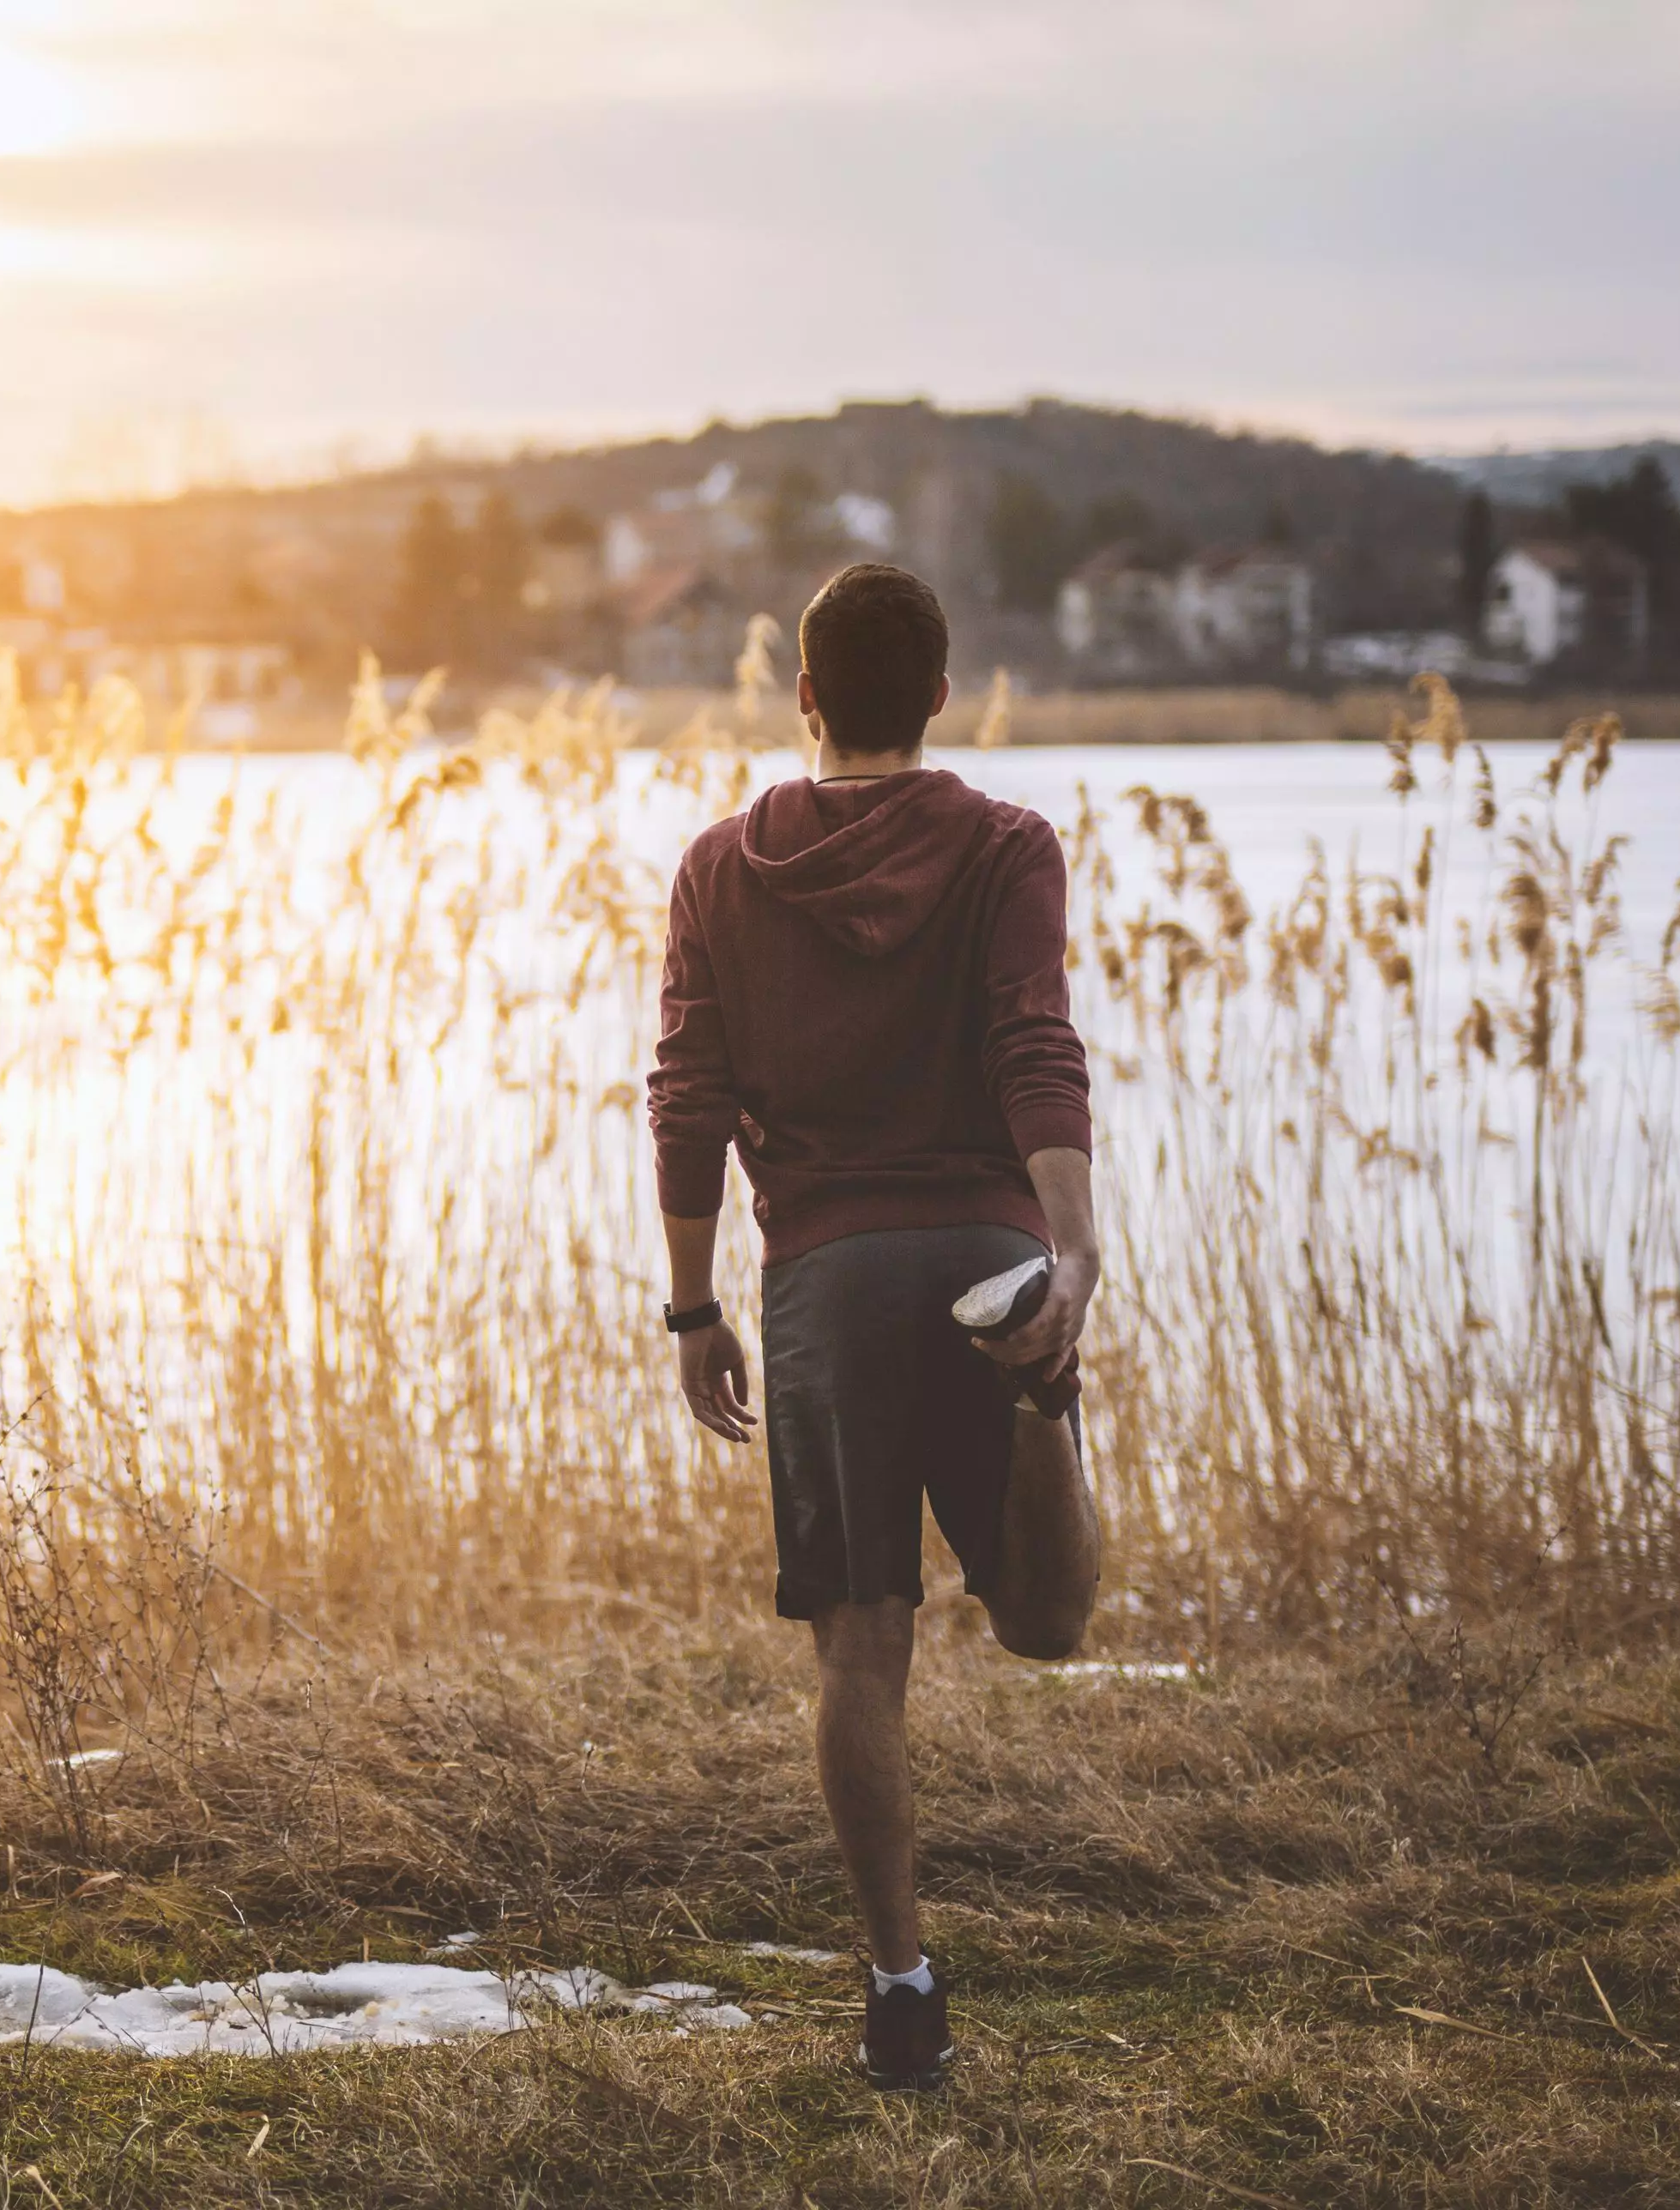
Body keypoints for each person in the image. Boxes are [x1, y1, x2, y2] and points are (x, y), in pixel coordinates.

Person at [646, 561, 1102, 2094]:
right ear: (945, 694)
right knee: (1047, 1622)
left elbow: (689, 1097)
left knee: (860, 1647)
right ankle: (1044, 1405)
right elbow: (1035, 1043)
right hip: (987, 1247)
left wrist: (695, 1301)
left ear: (804, 697)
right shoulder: (1007, 846)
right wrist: (1071, 1246)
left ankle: (901, 1983)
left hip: (828, 1276)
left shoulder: (721, 865)